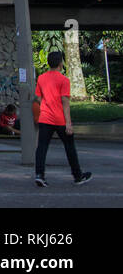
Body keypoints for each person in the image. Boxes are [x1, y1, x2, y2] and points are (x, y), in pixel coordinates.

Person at [33, 51, 91, 187]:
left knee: (41, 147)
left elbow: (38, 98)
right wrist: (69, 123)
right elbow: (65, 102)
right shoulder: (64, 80)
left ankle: (39, 175)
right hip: (60, 119)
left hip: (45, 118)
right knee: (69, 147)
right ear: (61, 63)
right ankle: (77, 176)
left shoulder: (41, 78)